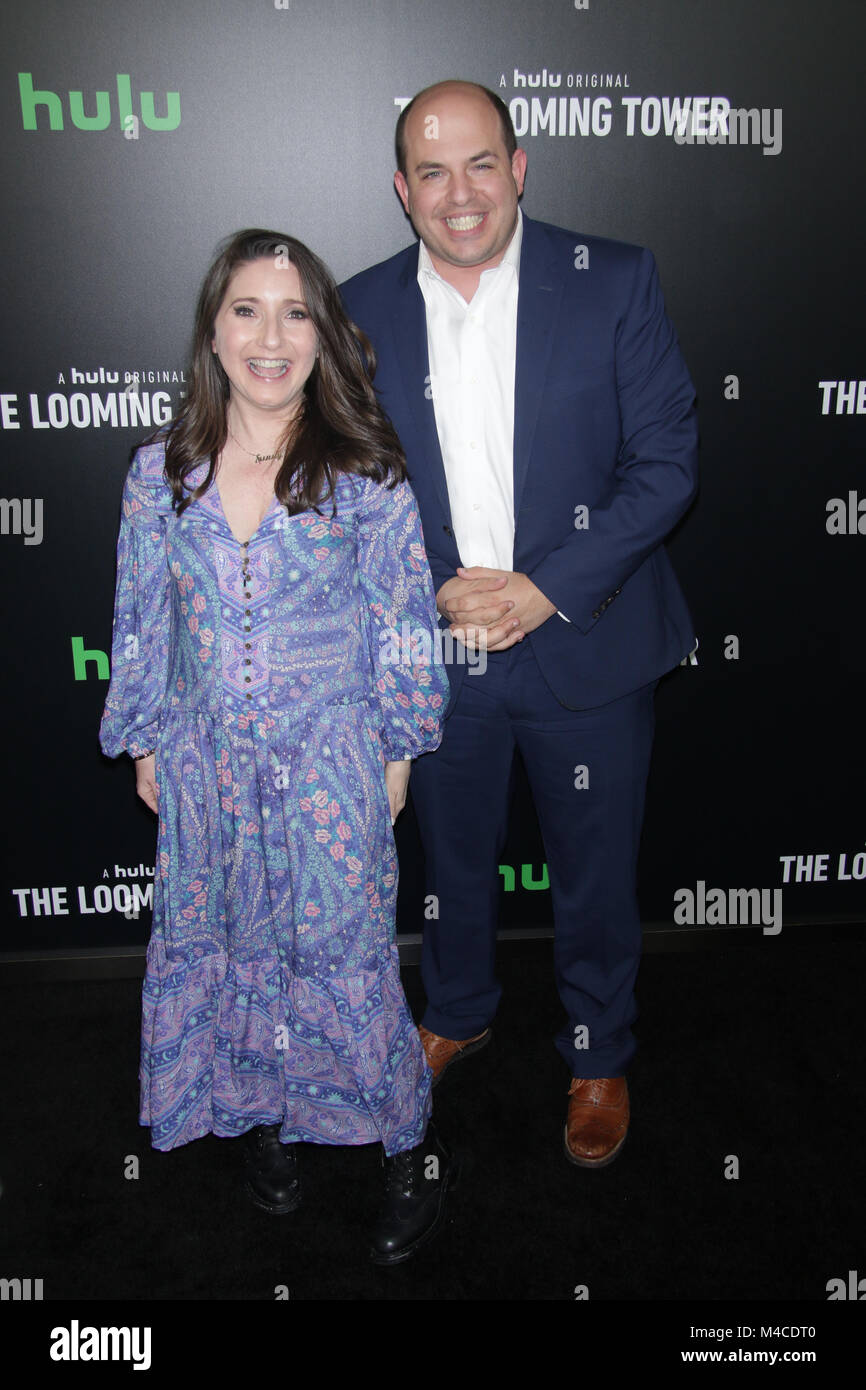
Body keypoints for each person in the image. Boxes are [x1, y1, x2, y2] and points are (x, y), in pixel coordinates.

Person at [340, 81, 699, 1167]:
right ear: (403, 190)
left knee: (593, 864)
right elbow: (351, 487)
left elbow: (664, 466)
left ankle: (596, 1052)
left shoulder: (613, 281)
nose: (460, 194)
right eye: (433, 172)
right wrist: (440, 588)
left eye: (480, 163)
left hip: (586, 635)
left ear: (520, 165)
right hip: (438, 647)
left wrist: (539, 589)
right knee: (446, 853)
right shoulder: (356, 311)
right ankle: (454, 1009)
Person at [99, 228, 455, 1263]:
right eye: (246, 310)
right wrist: (145, 741)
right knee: (236, 946)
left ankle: (402, 1148)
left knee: (343, 956)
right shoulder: (156, 476)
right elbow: (140, 621)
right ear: (212, 333)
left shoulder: (366, 474)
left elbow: (400, 627)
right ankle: (270, 1120)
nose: (270, 334)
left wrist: (393, 757)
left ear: (322, 334)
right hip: (208, 769)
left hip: (329, 767)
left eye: (294, 312)